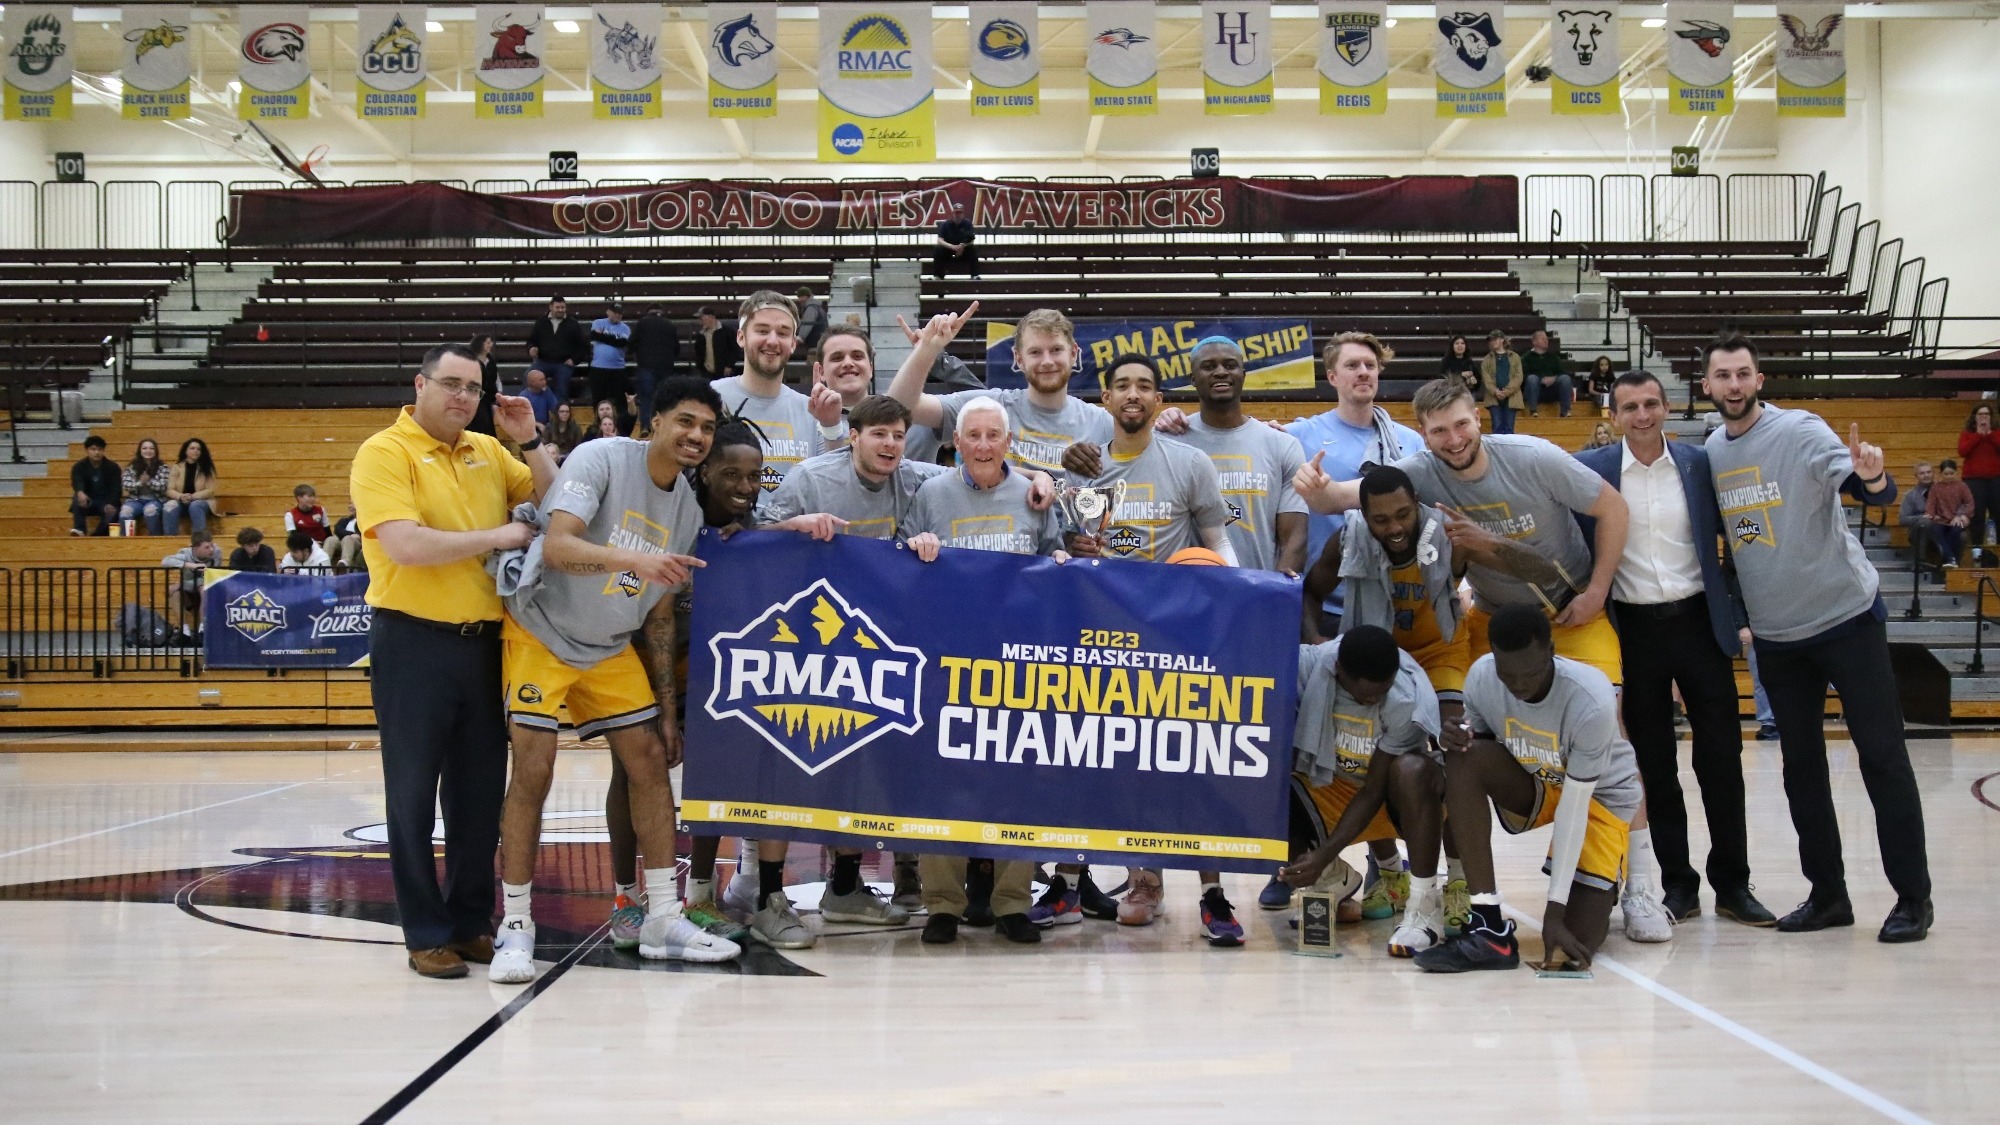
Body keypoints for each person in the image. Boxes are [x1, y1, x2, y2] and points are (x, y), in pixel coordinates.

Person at [490, 377, 743, 983]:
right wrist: (632, 559)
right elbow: (556, 547)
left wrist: (665, 705)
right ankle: (517, 925)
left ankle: (660, 916)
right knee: (534, 770)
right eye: (685, 422)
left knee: (650, 761)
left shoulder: (684, 504)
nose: (696, 436)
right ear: (654, 422)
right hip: (541, 629)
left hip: (607, 645)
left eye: (706, 428)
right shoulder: (600, 457)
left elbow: (657, 611)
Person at [1701, 334, 1931, 942]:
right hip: (1778, 639)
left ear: (1760, 379)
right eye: (1722, 375)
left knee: (1883, 758)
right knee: (1801, 770)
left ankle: (1913, 898)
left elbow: (1858, 486)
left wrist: (1875, 477)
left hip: (1847, 620)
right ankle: (1828, 895)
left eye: (1743, 373)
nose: (1734, 385)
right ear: (1707, 386)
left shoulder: (1801, 430)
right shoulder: (1713, 454)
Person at [349, 342, 556, 978]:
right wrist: (499, 536)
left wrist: (528, 440)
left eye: (474, 387)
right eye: (451, 384)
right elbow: (406, 544)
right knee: (411, 797)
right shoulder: (385, 452)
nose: (463, 396)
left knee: (476, 798)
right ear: (420, 385)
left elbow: (557, 502)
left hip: (483, 646)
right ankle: (424, 931)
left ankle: (470, 924)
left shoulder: (488, 450)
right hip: (411, 641)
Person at [721, 396, 945, 943]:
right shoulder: (810, 479)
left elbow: (982, 464)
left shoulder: (916, 482)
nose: (890, 445)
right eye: (879, 435)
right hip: (799, 642)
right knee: (787, 762)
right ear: (853, 436)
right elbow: (745, 539)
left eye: (898, 435)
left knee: (855, 763)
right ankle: (770, 895)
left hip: (871, 644)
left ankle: (844, 887)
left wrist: (1039, 481)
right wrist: (794, 525)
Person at [1575, 371, 1772, 929]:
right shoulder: (1591, 471)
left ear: (1669, 407)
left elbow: (1737, 536)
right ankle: (1678, 884)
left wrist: (1741, 612)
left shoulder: (1698, 464)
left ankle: (1734, 883)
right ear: (1613, 416)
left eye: (1652, 404)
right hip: (1633, 632)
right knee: (1654, 766)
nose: (1643, 415)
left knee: (1722, 762)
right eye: (1631, 407)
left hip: (1698, 625)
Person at [1059, 353, 1237, 929]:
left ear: (1160, 400)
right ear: (1104, 401)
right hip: (1103, 637)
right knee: (1118, 761)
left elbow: (1220, 548)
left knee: (1188, 761)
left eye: (1145, 386)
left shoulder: (1189, 463)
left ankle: (1212, 893)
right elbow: (1067, 549)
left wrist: (1231, 604)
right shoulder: (1082, 472)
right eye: (1122, 386)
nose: (1133, 394)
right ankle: (1144, 880)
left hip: (1176, 633)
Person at [904, 396, 1069, 946]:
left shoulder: (1034, 494)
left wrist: (1063, 561)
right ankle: (943, 905)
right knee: (943, 782)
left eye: (991, 435)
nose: (981, 444)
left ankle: (1012, 902)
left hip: (1019, 666)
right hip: (946, 659)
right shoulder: (929, 495)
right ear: (956, 442)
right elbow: (900, 567)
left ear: (1008, 441)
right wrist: (916, 546)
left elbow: (1056, 560)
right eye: (971, 434)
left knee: (1018, 782)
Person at [1416, 606, 1646, 973]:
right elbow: (1478, 758)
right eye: (1509, 675)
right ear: (1494, 659)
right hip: (1537, 781)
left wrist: (1553, 912)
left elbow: (1574, 807)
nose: (1520, 685)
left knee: (1575, 944)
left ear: (1552, 652)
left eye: (1532, 673)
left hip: (1597, 800)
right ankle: (1489, 925)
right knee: (1462, 756)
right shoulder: (1481, 678)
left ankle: (1605, 886)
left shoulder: (1591, 698)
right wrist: (1450, 738)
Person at [649, 417, 767, 954]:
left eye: (754, 476)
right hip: (655, 666)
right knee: (637, 773)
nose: (744, 486)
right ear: (703, 475)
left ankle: (701, 891)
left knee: (716, 778)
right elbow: (639, 596)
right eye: (730, 474)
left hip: (717, 675)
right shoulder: (677, 523)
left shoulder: (757, 533)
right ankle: (631, 899)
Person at [1274, 626, 1449, 958]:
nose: (1373, 701)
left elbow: (1373, 790)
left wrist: (1324, 851)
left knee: (1411, 770)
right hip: (1332, 785)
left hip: (1393, 797)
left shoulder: (1405, 699)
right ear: (1338, 670)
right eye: (1365, 695)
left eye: (1380, 692)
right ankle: (1331, 878)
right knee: (1264, 778)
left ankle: (1424, 904)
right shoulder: (1309, 666)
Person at [888, 304, 1113, 477]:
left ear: (1073, 353)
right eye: (1035, 352)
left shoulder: (1102, 423)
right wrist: (928, 350)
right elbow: (898, 407)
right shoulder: (988, 407)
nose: (1047, 361)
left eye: (1056, 350)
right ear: (1018, 358)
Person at [711, 290, 838, 498]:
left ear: (793, 343)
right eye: (762, 331)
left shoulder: (812, 411)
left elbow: (832, 484)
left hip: (795, 529)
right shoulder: (712, 398)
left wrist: (831, 426)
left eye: (782, 333)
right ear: (741, 337)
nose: (772, 341)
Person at [813, 326, 944, 464]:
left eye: (857, 356)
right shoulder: (806, 422)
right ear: (821, 372)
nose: (848, 363)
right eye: (837, 358)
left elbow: (967, 405)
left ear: (871, 368)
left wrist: (931, 354)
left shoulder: (915, 414)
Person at [159, 529, 221, 645]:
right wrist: (190, 565)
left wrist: (181, 584)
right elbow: (165, 561)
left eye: (211, 545)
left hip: (206, 588)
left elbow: (213, 577)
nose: (211, 549)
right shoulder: (185, 553)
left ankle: (203, 631)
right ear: (195, 548)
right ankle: (184, 631)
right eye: (207, 547)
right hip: (189, 589)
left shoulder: (216, 553)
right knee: (173, 592)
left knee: (205, 588)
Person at [526, 295, 589, 402]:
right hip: (542, 361)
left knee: (562, 387)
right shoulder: (541, 322)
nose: (560, 310)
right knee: (528, 376)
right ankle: (529, 404)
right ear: (551, 307)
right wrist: (531, 348)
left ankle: (559, 411)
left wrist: (574, 360)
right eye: (557, 307)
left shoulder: (573, 324)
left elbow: (583, 346)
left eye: (562, 307)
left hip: (563, 364)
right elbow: (531, 340)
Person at [1958, 403, 2000, 554]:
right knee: (1977, 516)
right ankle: (1977, 550)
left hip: (1995, 479)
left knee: (1998, 513)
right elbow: (1963, 451)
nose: (1984, 417)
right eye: (1980, 414)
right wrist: (1978, 435)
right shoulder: (1968, 433)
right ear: (1974, 417)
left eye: (1986, 414)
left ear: (1991, 417)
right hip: (1974, 480)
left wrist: (1989, 434)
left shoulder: (1997, 432)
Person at [629, 304, 679, 424]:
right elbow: (677, 348)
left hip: (646, 365)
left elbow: (631, 344)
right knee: (665, 398)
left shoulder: (642, 323)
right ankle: (664, 425)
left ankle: (645, 426)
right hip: (666, 366)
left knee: (646, 397)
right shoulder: (670, 325)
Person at [162, 437, 217, 536]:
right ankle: (170, 539)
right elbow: (169, 490)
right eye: (192, 448)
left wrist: (193, 497)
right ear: (186, 451)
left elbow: (210, 490)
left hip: (202, 502)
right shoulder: (177, 467)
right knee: (169, 506)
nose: (195, 451)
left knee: (195, 505)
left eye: (198, 449)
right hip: (181, 501)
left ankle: (199, 540)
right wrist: (180, 496)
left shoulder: (207, 468)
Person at [68, 435, 121, 537]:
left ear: (103, 451)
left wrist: (111, 502)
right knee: (76, 498)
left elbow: (116, 488)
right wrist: (80, 492)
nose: (96, 452)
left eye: (99, 449)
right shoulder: (79, 466)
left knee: (114, 510)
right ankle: (80, 530)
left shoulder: (113, 467)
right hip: (88, 501)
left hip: (105, 502)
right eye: (93, 449)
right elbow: (77, 481)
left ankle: (97, 535)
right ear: (87, 450)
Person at [1927, 458, 1974, 567]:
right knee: (1937, 531)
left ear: (1956, 473)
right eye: (1946, 474)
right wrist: (1932, 515)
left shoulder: (1962, 486)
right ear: (1941, 474)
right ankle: (1950, 558)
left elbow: (1969, 502)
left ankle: (1952, 560)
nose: (1948, 476)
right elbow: (1931, 504)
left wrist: (1961, 515)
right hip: (1941, 520)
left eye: (1951, 473)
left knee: (1955, 530)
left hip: (1960, 519)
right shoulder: (1936, 488)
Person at [119, 438, 168, 535]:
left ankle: (155, 539)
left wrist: (149, 482)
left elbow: (163, 486)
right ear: (140, 450)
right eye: (144, 448)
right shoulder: (132, 466)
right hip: (135, 500)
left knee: (150, 511)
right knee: (125, 512)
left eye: (151, 448)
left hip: (155, 500)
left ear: (155, 451)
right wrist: (140, 483)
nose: (148, 451)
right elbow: (126, 484)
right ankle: (126, 541)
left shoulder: (162, 467)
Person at [1479, 330, 1522, 435]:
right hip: (1493, 397)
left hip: (1512, 396)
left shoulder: (1515, 357)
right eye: (1491, 340)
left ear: (1502, 339)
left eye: (1495, 339)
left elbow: (1518, 376)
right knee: (1496, 426)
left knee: (1509, 427)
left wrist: (1507, 391)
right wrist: (1495, 391)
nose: (1493, 342)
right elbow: (1486, 378)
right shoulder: (1486, 359)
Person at [1522, 329, 1572, 418]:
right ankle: (1533, 410)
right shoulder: (1526, 358)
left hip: (1552, 390)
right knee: (1532, 378)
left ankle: (1565, 411)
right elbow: (1522, 376)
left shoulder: (1553, 357)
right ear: (1534, 342)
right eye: (1543, 339)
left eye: (1547, 339)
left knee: (1565, 378)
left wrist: (1554, 378)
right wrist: (1541, 380)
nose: (1546, 341)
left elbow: (1562, 372)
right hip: (1535, 390)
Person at [1899, 460, 1934, 567]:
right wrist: (1921, 517)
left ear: (1933, 473)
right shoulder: (1910, 495)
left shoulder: (1944, 492)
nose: (1926, 475)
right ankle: (1919, 563)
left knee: (1962, 534)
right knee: (1924, 523)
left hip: (1941, 528)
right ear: (1916, 476)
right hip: (1919, 530)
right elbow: (1903, 519)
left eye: (1928, 472)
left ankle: (1951, 568)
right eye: (1922, 473)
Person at [931, 201, 979, 280]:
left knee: (972, 250)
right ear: (953, 213)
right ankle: (938, 276)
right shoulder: (945, 224)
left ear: (963, 214)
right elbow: (940, 240)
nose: (958, 215)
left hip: (963, 250)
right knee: (938, 250)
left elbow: (972, 239)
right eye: (956, 213)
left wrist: (962, 246)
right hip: (949, 250)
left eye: (960, 213)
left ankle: (975, 275)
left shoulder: (968, 224)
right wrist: (951, 246)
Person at [694, 307, 742, 381]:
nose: (700, 320)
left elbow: (735, 349)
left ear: (711, 317)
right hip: (706, 373)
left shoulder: (727, 332)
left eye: (701, 317)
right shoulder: (701, 335)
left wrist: (729, 365)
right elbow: (698, 352)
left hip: (723, 372)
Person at [467, 334, 499, 436]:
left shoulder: (491, 361)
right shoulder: (471, 359)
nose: (491, 345)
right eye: (488, 343)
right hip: (474, 396)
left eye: (491, 343)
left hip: (487, 398)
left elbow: (495, 380)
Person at [330, 502, 365, 573]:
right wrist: (352, 534)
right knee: (331, 539)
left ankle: (344, 565)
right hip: (344, 542)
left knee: (347, 538)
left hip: (358, 543)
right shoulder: (345, 520)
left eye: (353, 504)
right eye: (349, 504)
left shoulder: (364, 520)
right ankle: (322, 565)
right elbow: (337, 530)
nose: (350, 506)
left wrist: (358, 536)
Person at [793, 285, 828, 356]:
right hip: (818, 343)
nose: (799, 300)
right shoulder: (817, 307)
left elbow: (807, 324)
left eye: (800, 297)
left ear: (806, 296)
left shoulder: (811, 308)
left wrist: (800, 338)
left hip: (814, 345)